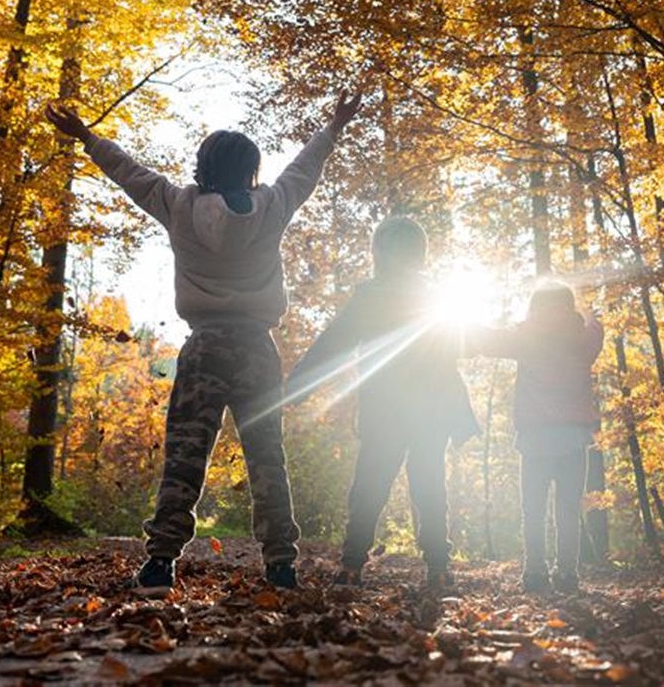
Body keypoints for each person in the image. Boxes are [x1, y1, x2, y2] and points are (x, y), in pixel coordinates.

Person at [44, 91, 362, 597]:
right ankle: (281, 564)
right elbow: (303, 171)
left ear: (204, 165)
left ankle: (160, 563)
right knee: (267, 458)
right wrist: (334, 126)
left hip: (205, 346)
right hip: (256, 347)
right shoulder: (273, 204)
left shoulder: (179, 204)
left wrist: (86, 137)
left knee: (185, 456)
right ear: (251, 170)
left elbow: (129, 173)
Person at [287, 216, 478, 590]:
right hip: (431, 410)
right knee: (429, 485)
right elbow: (457, 350)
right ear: (420, 255)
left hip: (386, 410)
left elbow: (334, 343)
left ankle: (352, 565)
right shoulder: (435, 298)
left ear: (379, 253)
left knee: (370, 487)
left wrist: (297, 385)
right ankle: (438, 567)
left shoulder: (371, 297)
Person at [470, 281, 603, 594]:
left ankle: (534, 574)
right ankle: (568, 574)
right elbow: (596, 327)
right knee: (568, 509)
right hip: (573, 437)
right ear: (567, 305)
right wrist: (587, 313)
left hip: (535, 438)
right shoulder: (583, 339)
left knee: (534, 509)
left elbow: (488, 341)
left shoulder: (526, 337)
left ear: (535, 306)